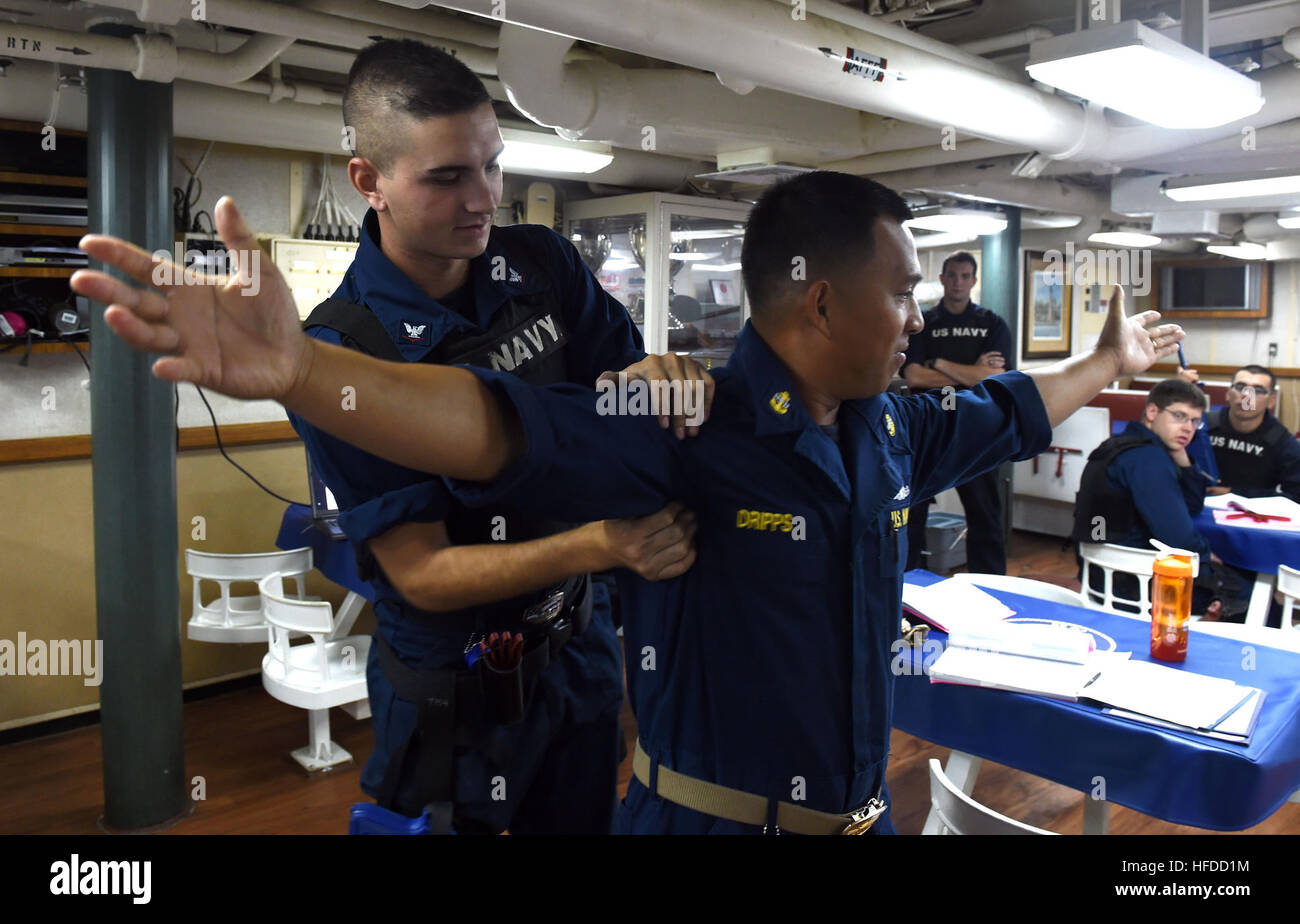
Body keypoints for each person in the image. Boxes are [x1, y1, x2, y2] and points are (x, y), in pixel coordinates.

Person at [72, 171, 1185, 834]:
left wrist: (1107, 359)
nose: (915, 318)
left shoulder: (886, 424)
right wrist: (311, 374)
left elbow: (1013, 408)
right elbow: (498, 421)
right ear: (825, 298)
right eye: (902, 292)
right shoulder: (681, 425)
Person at [287, 41, 712, 834]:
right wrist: (603, 544)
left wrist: (658, 378)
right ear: (368, 180)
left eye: (493, 165)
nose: (482, 198)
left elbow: (622, 410)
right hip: (458, 683)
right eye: (446, 177)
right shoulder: (343, 354)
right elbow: (423, 573)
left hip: (577, 651)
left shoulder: (542, 263)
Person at [1071, 379, 1246, 620]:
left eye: (1195, 421)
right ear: (1153, 412)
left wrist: (1181, 455)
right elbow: (1179, 540)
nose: (1188, 428)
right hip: (1137, 588)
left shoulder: (1114, 446)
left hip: (1096, 576)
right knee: (1246, 587)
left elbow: (1191, 506)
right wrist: (1208, 554)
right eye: (1179, 416)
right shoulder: (1149, 459)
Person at [901, 251, 1015, 574]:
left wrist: (938, 364)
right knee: (911, 513)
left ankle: (991, 587)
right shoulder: (923, 323)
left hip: (976, 427)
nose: (958, 282)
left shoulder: (991, 324)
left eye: (966, 276)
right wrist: (972, 371)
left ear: (974, 281)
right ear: (941, 279)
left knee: (986, 517)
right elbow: (914, 376)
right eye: (952, 275)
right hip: (929, 425)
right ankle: (908, 586)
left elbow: (994, 377)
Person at [1178, 365, 1300, 503]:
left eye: (1258, 390)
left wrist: (1234, 494)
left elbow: (1295, 496)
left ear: (1271, 400)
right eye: (1241, 387)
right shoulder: (1201, 426)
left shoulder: (1281, 441)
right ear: (1228, 393)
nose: (1247, 395)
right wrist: (1177, 391)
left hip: (1251, 517)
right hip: (1195, 505)